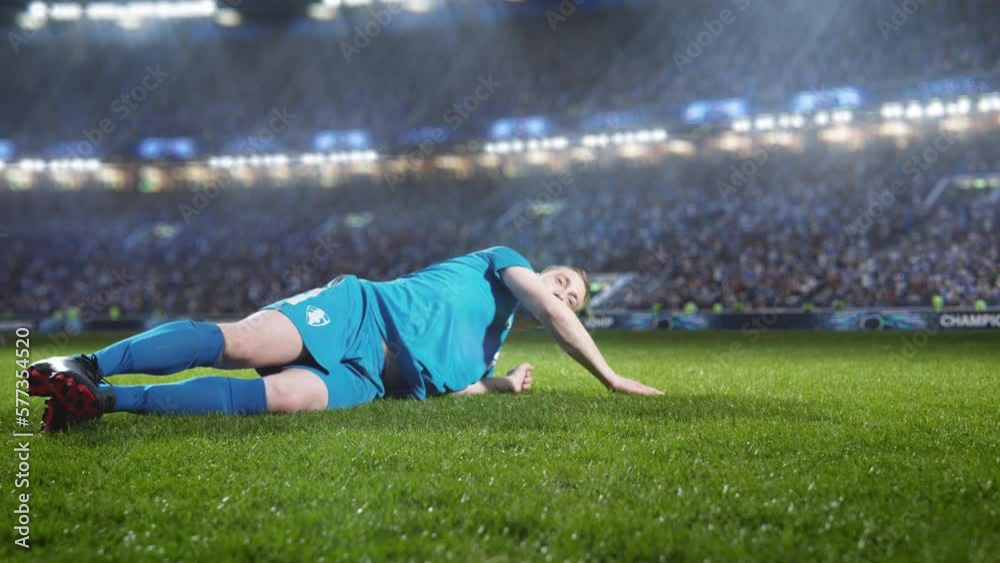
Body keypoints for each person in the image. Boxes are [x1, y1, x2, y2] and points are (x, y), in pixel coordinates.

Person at [28, 247, 662, 432]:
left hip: (365, 379)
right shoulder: (504, 260)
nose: (562, 295)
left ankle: (102, 402)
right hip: (360, 312)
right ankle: (85, 363)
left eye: (574, 296)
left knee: (283, 400)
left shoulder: (489, 347)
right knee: (244, 343)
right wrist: (609, 377)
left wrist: (500, 382)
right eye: (562, 283)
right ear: (543, 274)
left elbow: (455, 385)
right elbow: (552, 312)